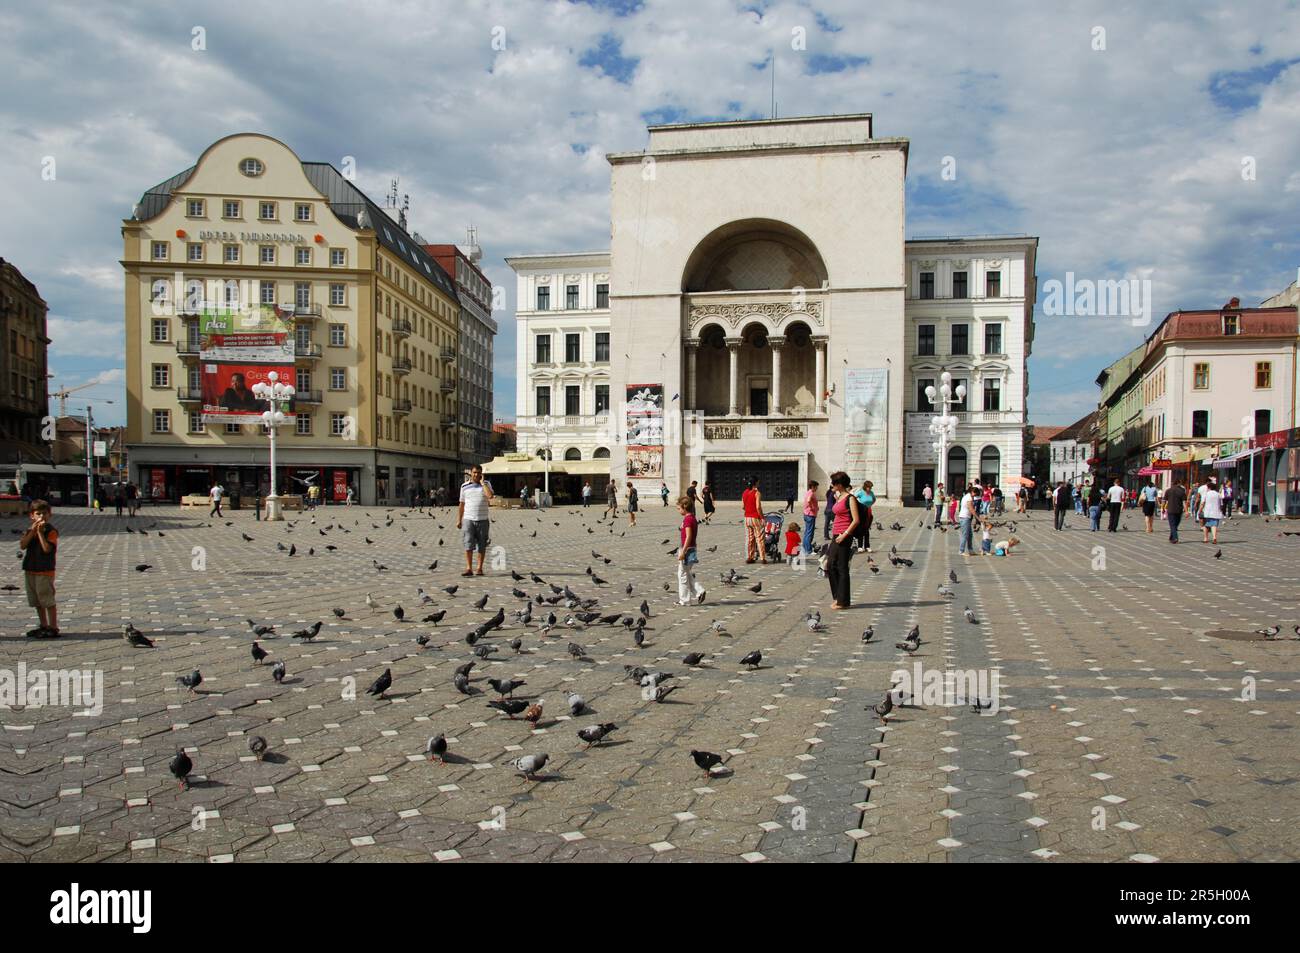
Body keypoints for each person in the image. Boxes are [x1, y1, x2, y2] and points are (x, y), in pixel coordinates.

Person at [20, 500, 59, 637]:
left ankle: (53, 627)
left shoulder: (51, 531)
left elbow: (47, 549)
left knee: (47, 599)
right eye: (38, 513)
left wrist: (41, 533)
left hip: (45, 570)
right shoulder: (30, 530)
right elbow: (23, 545)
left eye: (44, 513)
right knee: (37, 600)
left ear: (49, 514)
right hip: (31, 568)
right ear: (32, 515)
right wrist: (33, 531)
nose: (41, 516)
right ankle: (43, 624)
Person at [825, 472, 862, 610]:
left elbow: (856, 520)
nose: (831, 485)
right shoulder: (839, 496)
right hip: (836, 535)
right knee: (830, 565)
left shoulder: (850, 499)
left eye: (833, 483)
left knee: (841, 567)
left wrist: (845, 534)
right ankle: (837, 597)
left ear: (839, 485)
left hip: (844, 536)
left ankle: (843, 601)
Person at [457, 464, 494, 576]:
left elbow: (490, 496)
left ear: (481, 474)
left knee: (482, 545)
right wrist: (459, 520)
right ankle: (469, 568)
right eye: (474, 472)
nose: (476, 474)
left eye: (478, 472)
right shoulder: (464, 486)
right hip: (468, 519)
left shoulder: (486, 484)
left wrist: (482, 483)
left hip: (482, 519)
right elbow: (461, 504)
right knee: (468, 544)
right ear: (471, 473)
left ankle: (479, 568)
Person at [675, 495, 706, 606]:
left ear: (684, 507)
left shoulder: (688, 520)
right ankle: (699, 592)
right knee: (686, 573)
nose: (678, 510)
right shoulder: (692, 518)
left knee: (682, 574)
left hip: (686, 549)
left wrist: (683, 552)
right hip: (691, 548)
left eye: (679, 508)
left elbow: (688, 536)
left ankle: (685, 600)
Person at [742, 477, 766, 564]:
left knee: (750, 538)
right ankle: (763, 558)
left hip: (746, 518)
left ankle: (750, 557)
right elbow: (758, 507)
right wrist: (762, 518)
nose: (759, 484)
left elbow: (743, 506)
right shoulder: (757, 493)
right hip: (755, 517)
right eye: (758, 482)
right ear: (755, 483)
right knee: (759, 538)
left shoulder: (744, 492)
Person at [1198, 478, 1224, 544]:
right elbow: (1221, 504)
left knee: (1206, 525)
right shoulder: (1218, 494)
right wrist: (1221, 511)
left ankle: (1205, 538)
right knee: (1214, 525)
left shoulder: (1206, 494)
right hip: (1216, 512)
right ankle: (1214, 538)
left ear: (1209, 488)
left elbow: (1202, 503)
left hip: (1207, 512)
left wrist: (1200, 510)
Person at [853, 480, 875, 551]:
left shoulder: (871, 493)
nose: (870, 489)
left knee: (867, 529)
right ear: (865, 487)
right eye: (869, 487)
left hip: (868, 512)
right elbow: (853, 498)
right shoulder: (861, 493)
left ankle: (867, 546)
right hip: (861, 512)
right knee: (861, 529)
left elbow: (874, 499)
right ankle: (860, 546)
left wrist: (870, 505)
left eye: (871, 487)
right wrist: (858, 506)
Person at [1165, 478, 1188, 543]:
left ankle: (1174, 538)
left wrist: (1163, 508)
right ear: (1179, 483)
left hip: (1170, 510)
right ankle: (1173, 537)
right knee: (1175, 524)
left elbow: (1164, 500)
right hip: (1179, 510)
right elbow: (1184, 502)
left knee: (1172, 525)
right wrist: (1186, 511)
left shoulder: (1168, 490)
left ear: (1173, 483)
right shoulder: (1182, 491)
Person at [802, 480, 820, 553]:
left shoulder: (808, 492)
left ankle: (805, 547)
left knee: (807, 532)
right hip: (810, 514)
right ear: (813, 486)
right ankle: (808, 550)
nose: (817, 488)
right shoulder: (811, 493)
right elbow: (809, 500)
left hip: (806, 514)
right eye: (816, 487)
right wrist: (812, 507)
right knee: (810, 533)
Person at [958, 484, 976, 556]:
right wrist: (978, 518)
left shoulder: (967, 496)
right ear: (972, 492)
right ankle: (961, 550)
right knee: (965, 535)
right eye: (975, 494)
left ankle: (970, 549)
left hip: (966, 517)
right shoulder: (969, 498)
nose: (975, 496)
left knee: (970, 534)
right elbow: (971, 509)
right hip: (964, 517)